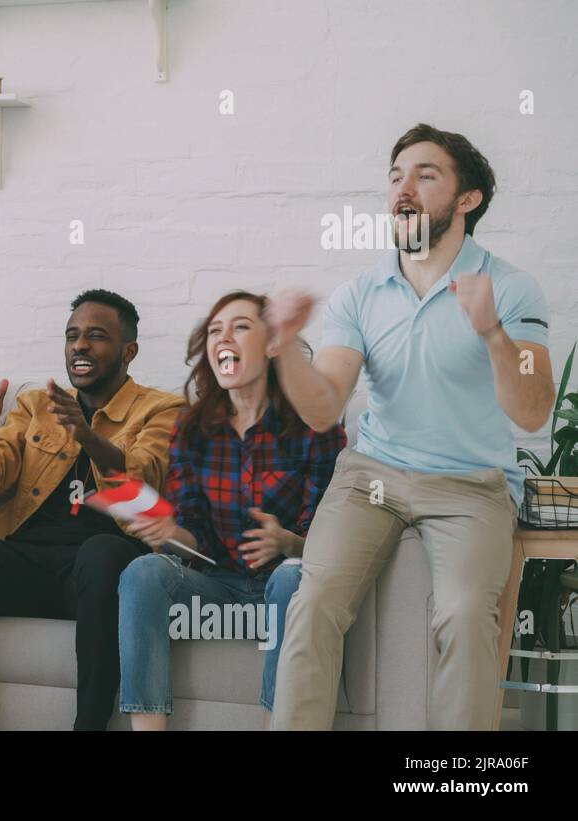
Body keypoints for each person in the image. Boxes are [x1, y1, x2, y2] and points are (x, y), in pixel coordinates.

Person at [266, 124, 554, 730]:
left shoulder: (511, 288)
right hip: (373, 475)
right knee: (313, 599)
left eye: (426, 175)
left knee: (464, 614)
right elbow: (324, 408)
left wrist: (492, 333)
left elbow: (532, 410)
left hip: (470, 485)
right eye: (397, 176)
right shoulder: (360, 293)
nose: (404, 188)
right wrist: (286, 345)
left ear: (467, 199)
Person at [0, 289, 186, 730]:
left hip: (101, 572)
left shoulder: (162, 409)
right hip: (27, 562)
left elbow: (145, 484)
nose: (80, 346)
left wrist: (87, 436)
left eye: (96, 336)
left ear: (129, 351)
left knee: (102, 552)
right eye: (72, 336)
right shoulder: (36, 405)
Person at [115, 291, 346, 730]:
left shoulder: (314, 425)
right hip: (216, 590)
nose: (224, 337)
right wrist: (168, 532)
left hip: (285, 591)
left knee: (292, 574)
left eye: (241, 327)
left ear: (272, 344)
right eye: (215, 330)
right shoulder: (194, 427)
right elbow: (194, 538)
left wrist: (288, 541)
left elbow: (339, 538)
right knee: (144, 571)